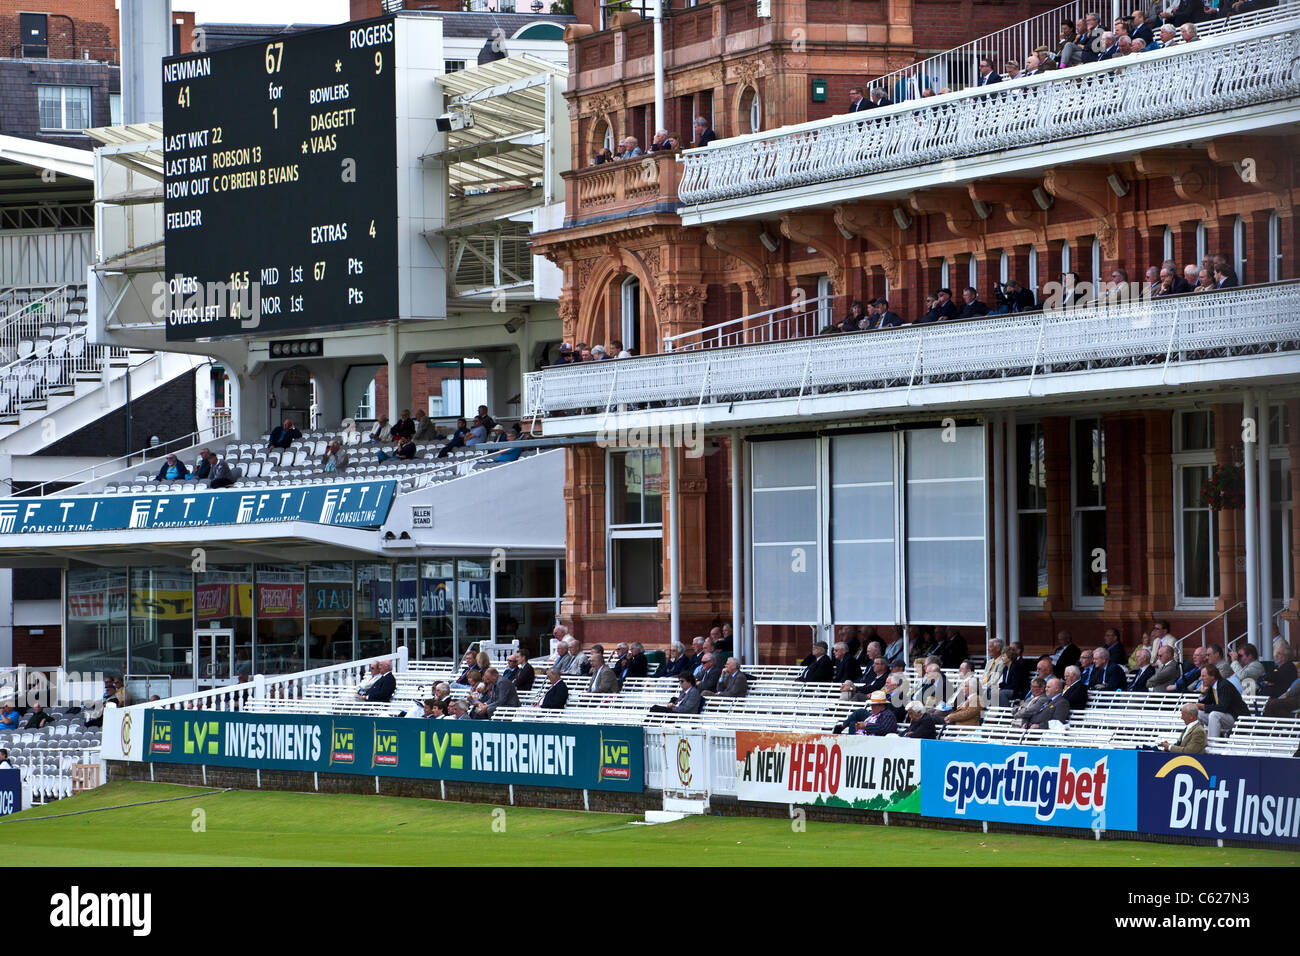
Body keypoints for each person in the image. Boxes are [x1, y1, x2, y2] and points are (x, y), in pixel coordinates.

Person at [1197, 666, 1248, 737]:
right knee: (1199, 713)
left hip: (1237, 717)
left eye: (1203, 676)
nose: (1201, 679)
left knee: (1214, 715)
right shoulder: (1212, 686)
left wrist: (1203, 706)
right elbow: (1205, 705)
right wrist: (1203, 693)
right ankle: (1199, 740)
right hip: (1225, 716)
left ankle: (1213, 742)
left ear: (1212, 676)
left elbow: (1222, 707)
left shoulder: (1224, 685)